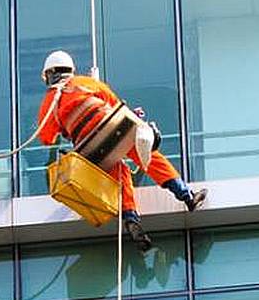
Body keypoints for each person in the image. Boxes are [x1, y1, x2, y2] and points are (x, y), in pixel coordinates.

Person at [36, 51, 206, 253]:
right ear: (69, 70)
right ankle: (186, 195)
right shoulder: (84, 82)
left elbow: (46, 138)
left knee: (120, 172)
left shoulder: (49, 102)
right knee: (148, 156)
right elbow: (113, 101)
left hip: (88, 149)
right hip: (109, 126)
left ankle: (131, 218)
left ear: (49, 74)